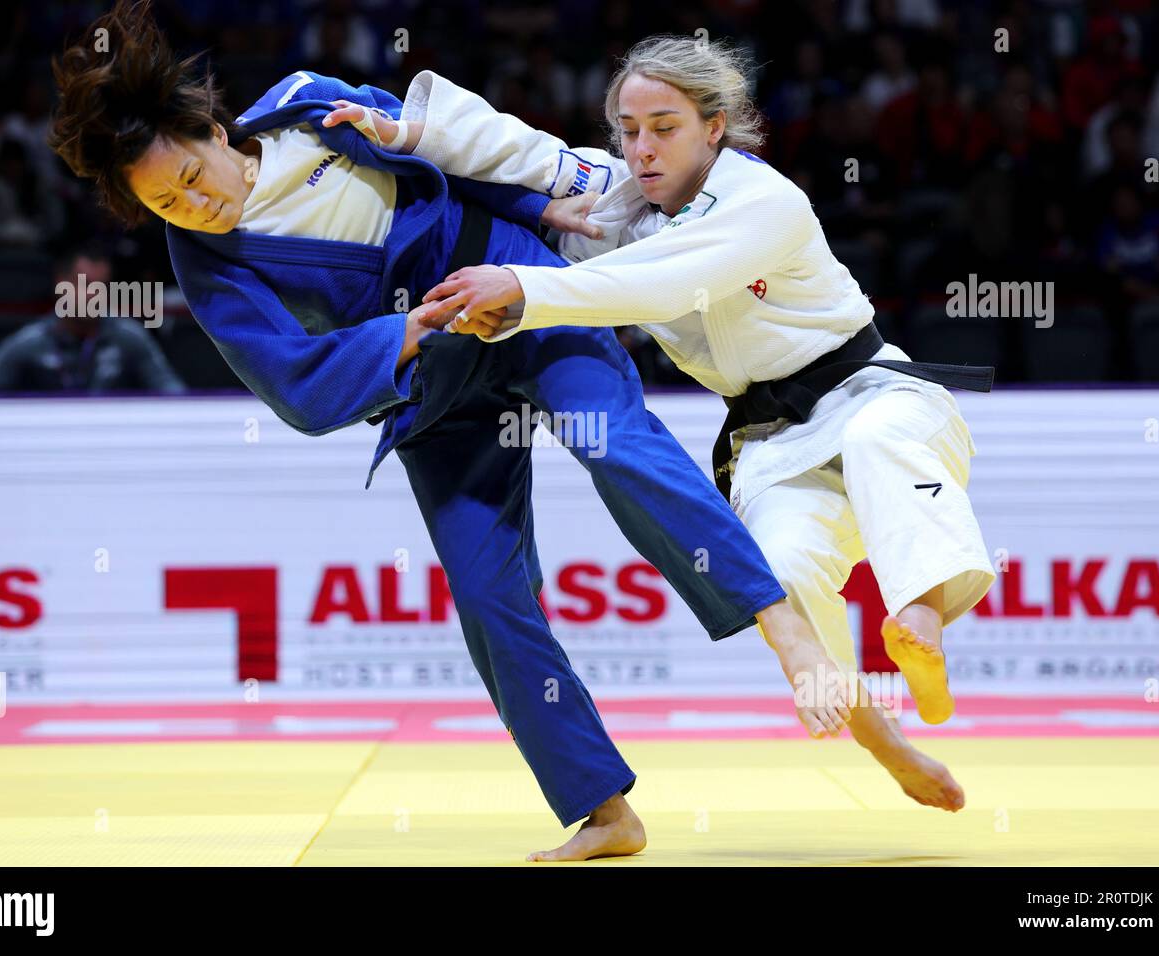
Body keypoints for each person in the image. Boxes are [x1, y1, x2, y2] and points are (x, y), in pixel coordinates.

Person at [48, 2, 852, 861]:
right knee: (486, 591)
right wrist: (411, 332)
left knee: (612, 441)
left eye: (194, 177)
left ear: (212, 128)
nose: (196, 206)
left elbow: (443, 146)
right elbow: (292, 384)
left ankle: (782, 625)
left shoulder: (307, 102)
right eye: (166, 205)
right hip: (431, 386)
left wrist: (551, 203)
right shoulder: (206, 262)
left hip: (514, 289)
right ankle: (603, 808)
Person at [350, 35, 1000, 811]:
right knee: (780, 575)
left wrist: (521, 286)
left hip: (873, 393)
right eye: (628, 129)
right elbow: (528, 153)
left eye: (665, 126)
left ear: (715, 127)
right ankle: (885, 740)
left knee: (876, 440)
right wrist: (407, 131)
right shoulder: (624, 204)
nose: (642, 148)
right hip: (769, 442)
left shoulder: (766, 200)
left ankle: (919, 612)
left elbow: (666, 284)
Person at [0, 246, 186, 396]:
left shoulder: (128, 336)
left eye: (102, 286)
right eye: (85, 285)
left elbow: (174, 393)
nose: (94, 295)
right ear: (60, 284)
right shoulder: (31, 341)